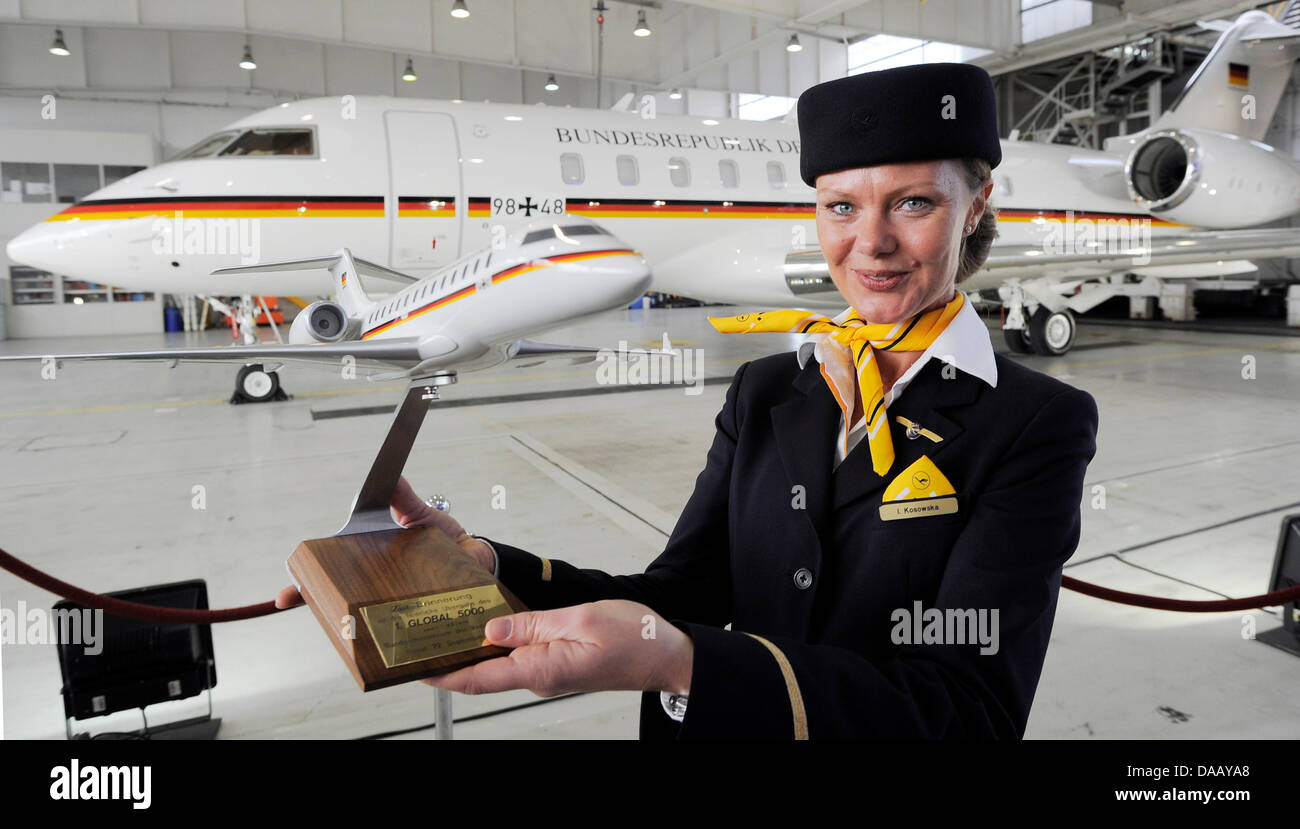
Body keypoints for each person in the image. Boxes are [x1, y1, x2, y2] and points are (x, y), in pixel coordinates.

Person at [278, 63, 1099, 739]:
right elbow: (682, 591)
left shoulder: (1034, 425)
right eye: (840, 206)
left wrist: (684, 664)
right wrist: (491, 568)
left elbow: (967, 711)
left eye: (912, 203)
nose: (870, 242)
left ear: (977, 206)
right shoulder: (771, 390)